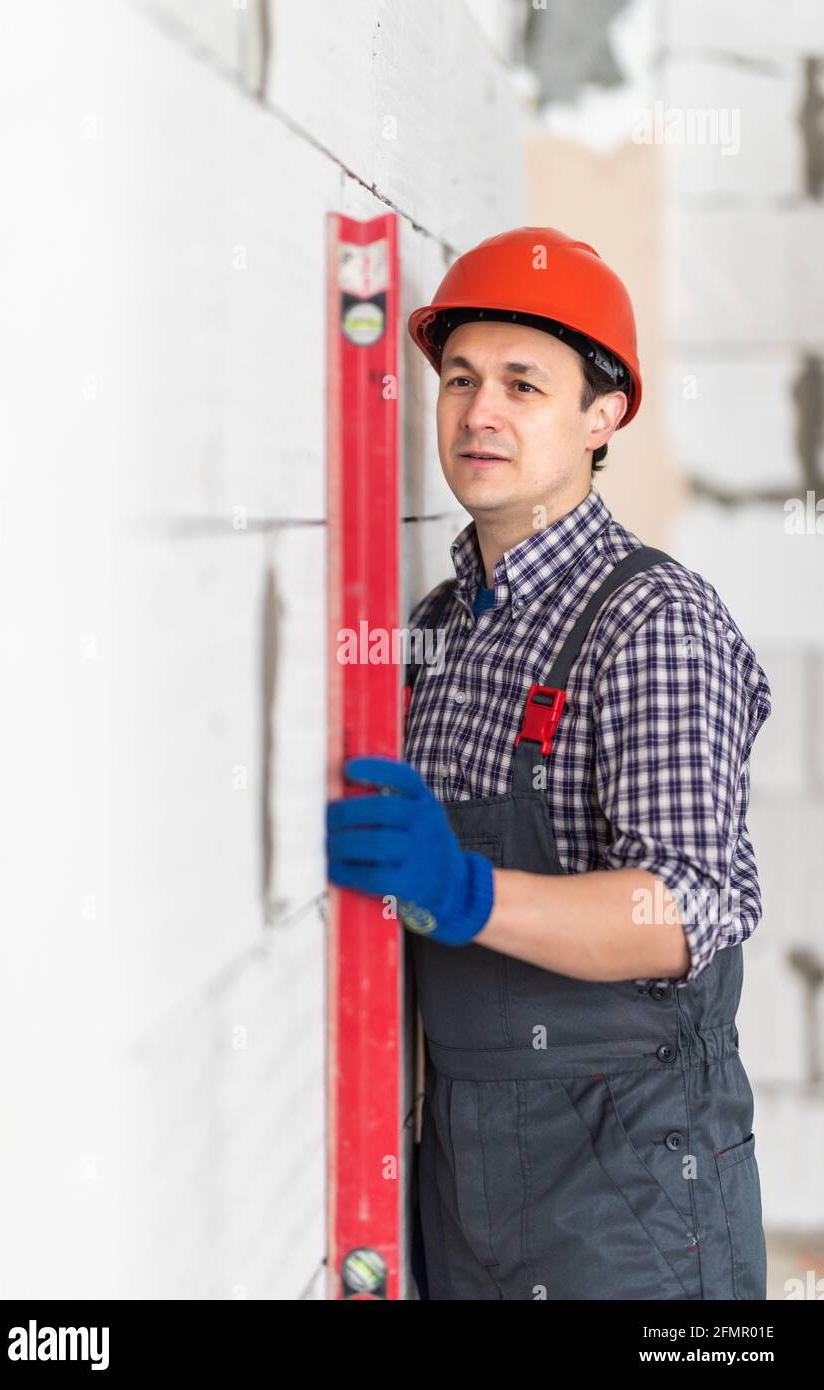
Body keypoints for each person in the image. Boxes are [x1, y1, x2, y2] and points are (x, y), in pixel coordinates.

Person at [326, 227, 772, 1300]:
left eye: (523, 385)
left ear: (600, 414)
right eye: (462, 379)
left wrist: (463, 891)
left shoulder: (651, 620)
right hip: (468, 1183)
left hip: (637, 1196)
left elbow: (683, 909)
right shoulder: (439, 630)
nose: (479, 411)